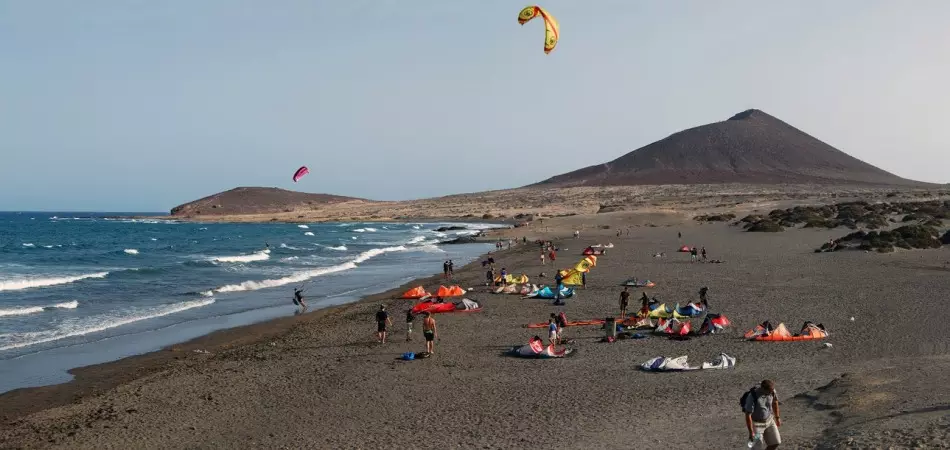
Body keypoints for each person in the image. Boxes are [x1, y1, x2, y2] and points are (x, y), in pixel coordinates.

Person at [743, 379, 781, 449]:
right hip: (758, 425)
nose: (770, 393)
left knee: (776, 442)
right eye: (768, 392)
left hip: (769, 421)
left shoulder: (772, 391)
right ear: (762, 388)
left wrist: (777, 418)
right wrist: (751, 432)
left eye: (771, 391)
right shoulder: (752, 396)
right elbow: (748, 415)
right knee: (757, 447)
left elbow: (775, 402)